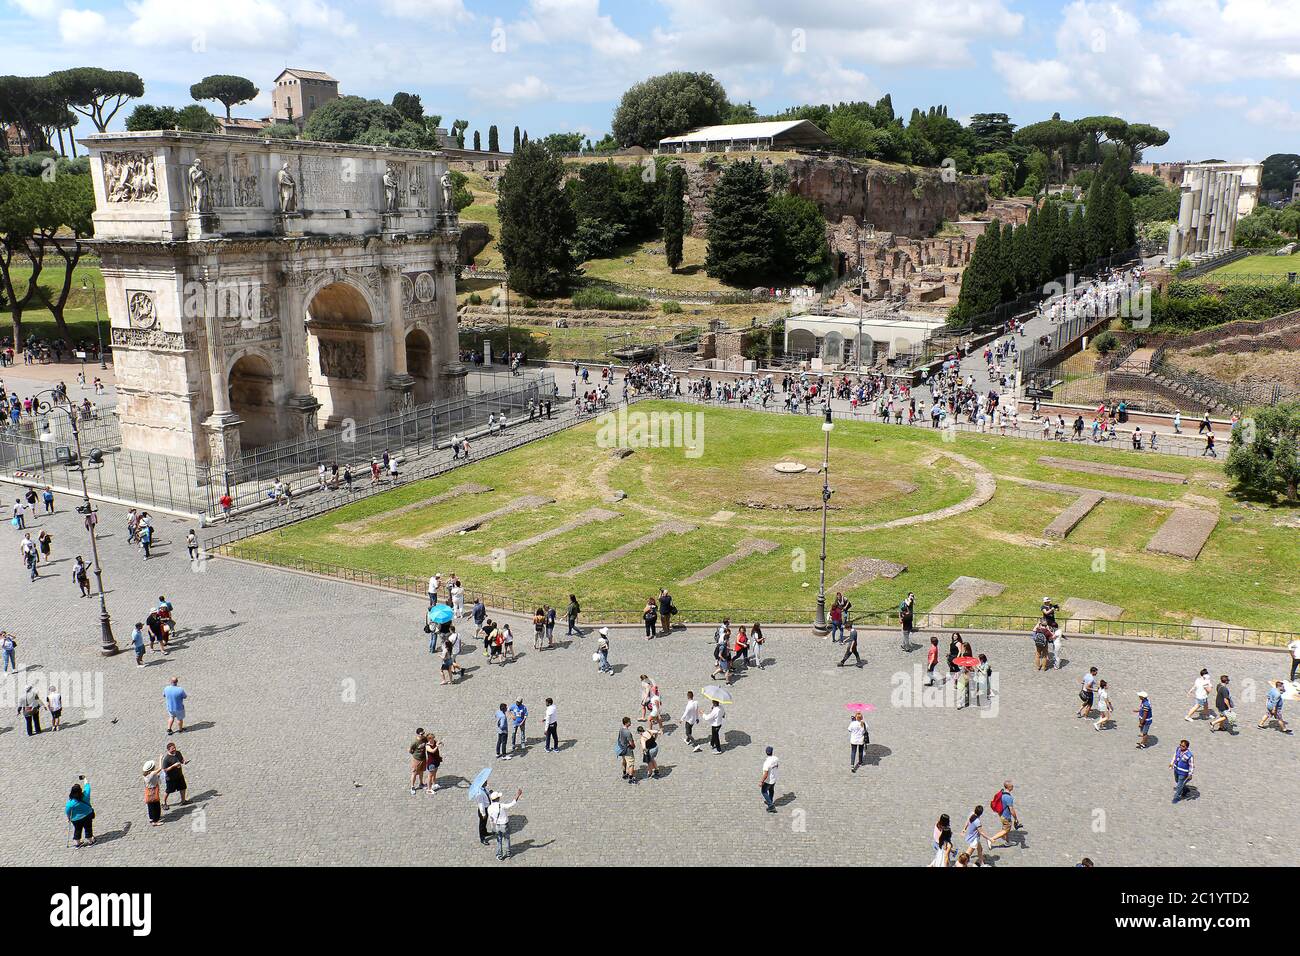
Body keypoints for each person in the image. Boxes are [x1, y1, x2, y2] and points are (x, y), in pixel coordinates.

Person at [487, 788, 522, 862]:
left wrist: (492, 828)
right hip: (504, 825)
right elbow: (511, 804)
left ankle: (499, 855)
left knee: (499, 840)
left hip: (497, 825)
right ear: (497, 799)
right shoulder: (501, 805)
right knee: (507, 839)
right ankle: (508, 853)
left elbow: (491, 819)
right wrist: (517, 795)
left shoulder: (489, 808)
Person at [65, 779, 95, 847]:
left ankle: (78, 843)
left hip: (76, 819)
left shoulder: (70, 803)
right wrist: (84, 778)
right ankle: (90, 841)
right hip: (87, 815)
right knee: (88, 828)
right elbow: (87, 786)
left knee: (77, 829)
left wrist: (69, 818)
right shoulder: (85, 795)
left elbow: (67, 811)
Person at [989, 782, 1020, 847]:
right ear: (1009, 787)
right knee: (1005, 830)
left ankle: (1007, 842)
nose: (1013, 787)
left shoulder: (1002, 793)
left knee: (1006, 829)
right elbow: (1011, 810)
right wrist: (1016, 819)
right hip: (1006, 816)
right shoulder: (1008, 798)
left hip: (1001, 814)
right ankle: (991, 839)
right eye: (1012, 786)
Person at [161, 742, 189, 807]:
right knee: (168, 791)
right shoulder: (166, 759)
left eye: (175, 748)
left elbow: (181, 760)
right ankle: (164, 803)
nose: (174, 749)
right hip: (171, 778)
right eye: (172, 749)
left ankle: (183, 801)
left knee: (183, 787)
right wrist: (173, 766)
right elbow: (165, 770)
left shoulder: (178, 753)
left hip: (179, 775)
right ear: (168, 750)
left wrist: (184, 762)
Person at [142, 760, 163, 826]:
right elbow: (160, 768)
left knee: (150, 806)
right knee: (156, 806)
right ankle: (155, 821)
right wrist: (160, 759)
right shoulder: (151, 774)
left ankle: (151, 818)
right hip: (153, 791)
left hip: (148, 791)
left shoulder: (145, 775)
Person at [617, 717, 637, 782]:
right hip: (628, 750)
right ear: (626, 723)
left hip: (622, 749)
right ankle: (631, 778)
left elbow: (619, 738)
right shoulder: (628, 732)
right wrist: (634, 746)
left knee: (624, 761)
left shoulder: (621, 729)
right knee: (631, 763)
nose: (630, 723)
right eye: (629, 722)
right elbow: (631, 743)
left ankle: (624, 773)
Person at [760, 746, 779, 812]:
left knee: (764, 791)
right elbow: (777, 766)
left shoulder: (766, 763)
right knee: (771, 790)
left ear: (766, 752)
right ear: (772, 752)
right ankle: (770, 801)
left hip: (768, 780)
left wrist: (761, 781)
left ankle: (771, 806)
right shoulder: (776, 758)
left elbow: (765, 774)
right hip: (774, 778)